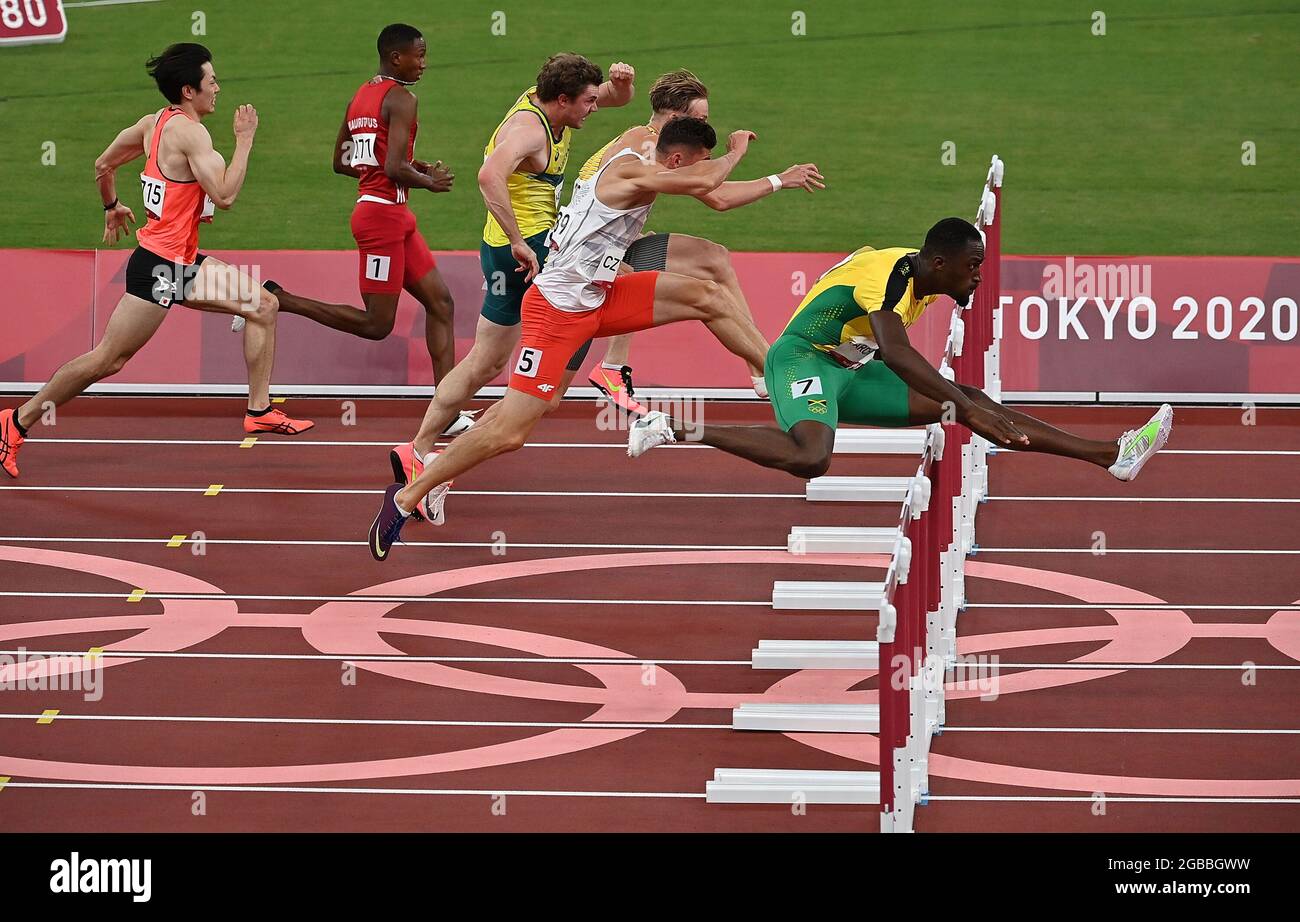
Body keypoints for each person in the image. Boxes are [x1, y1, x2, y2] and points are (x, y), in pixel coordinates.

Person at [367, 116, 770, 559]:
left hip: (602, 296)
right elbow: (709, 179)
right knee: (510, 432)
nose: (703, 169)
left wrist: (776, 180)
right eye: (698, 161)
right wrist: (734, 152)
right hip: (556, 313)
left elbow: (703, 180)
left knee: (708, 296)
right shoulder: (630, 172)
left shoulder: (648, 152)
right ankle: (408, 496)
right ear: (676, 159)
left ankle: (774, 372)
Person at [626, 217, 1174, 483]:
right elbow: (897, 353)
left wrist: (969, 407)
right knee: (811, 457)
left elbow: (895, 359)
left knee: (968, 398)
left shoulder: (924, 278)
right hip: (802, 360)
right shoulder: (892, 274)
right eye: (973, 267)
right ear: (940, 264)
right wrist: (971, 412)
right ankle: (674, 427)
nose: (980, 277)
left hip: (852, 369)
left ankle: (1112, 456)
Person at [1, 43, 311, 480]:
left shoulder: (153, 124)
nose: (218, 88)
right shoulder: (191, 134)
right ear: (189, 90)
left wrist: (111, 205)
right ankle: (16, 421)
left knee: (263, 305)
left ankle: (259, 409)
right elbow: (224, 197)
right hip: (160, 271)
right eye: (211, 81)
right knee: (106, 360)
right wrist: (245, 141)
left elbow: (102, 163)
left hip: (180, 262)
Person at [385, 53, 635, 500]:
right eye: (589, 102)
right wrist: (519, 238)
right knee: (621, 272)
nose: (595, 109)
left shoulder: (550, 106)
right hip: (530, 250)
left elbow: (613, 97)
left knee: (486, 361)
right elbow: (487, 176)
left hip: (503, 251)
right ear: (563, 99)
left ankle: (418, 447)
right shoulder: (529, 130)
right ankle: (611, 370)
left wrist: (623, 85)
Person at [572, 69, 823, 414]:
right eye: (701, 118)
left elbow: (713, 191)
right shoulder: (643, 143)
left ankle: (762, 370)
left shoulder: (655, 143)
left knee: (713, 258)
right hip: (584, 255)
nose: (707, 127)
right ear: (676, 118)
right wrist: (763, 170)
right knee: (654, 279)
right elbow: (715, 194)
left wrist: (778, 179)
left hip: (612, 245)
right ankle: (613, 367)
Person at [263, 23, 463, 407]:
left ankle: (446, 408)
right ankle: (280, 299)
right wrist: (427, 180)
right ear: (395, 57)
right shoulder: (403, 99)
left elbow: (342, 160)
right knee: (377, 325)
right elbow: (391, 169)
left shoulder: (361, 96)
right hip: (380, 221)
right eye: (418, 56)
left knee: (442, 304)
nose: (423, 64)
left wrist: (406, 164)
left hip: (395, 217)